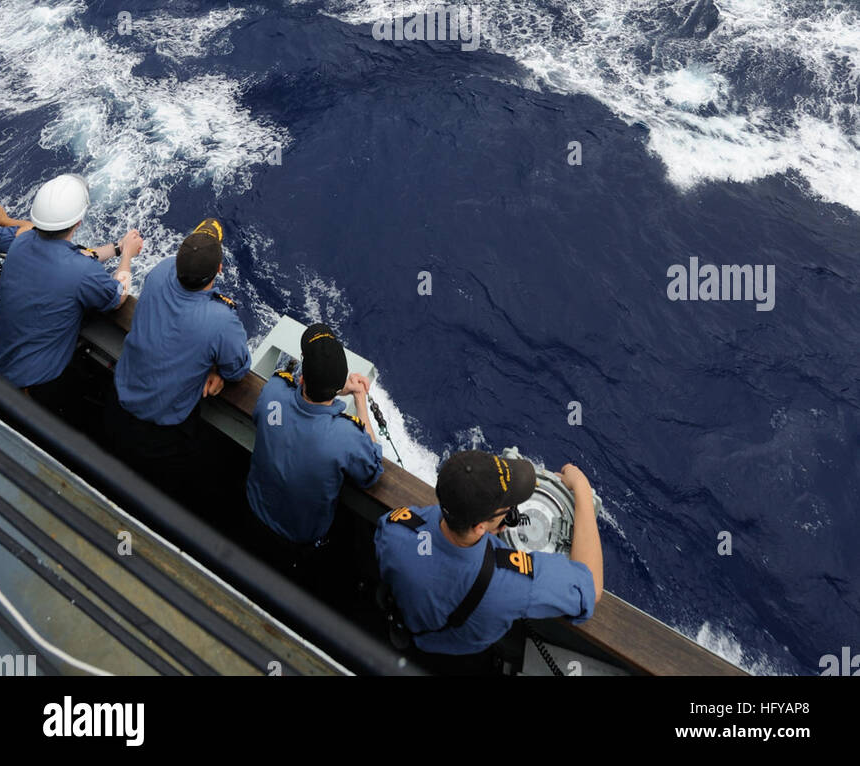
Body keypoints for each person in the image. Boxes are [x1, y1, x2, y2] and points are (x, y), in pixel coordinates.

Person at [374, 450, 602, 670]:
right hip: (460, 654)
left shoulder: (397, 527)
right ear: (480, 527)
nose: (512, 511)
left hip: (404, 619)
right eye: (507, 509)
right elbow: (590, 588)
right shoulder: (511, 583)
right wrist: (581, 487)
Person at [106, 219, 250, 493]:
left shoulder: (161, 270)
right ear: (219, 269)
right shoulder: (220, 320)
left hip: (117, 403)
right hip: (160, 436)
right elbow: (238, 369)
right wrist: (218, 369)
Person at [0, 174, 142, 413]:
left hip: (0, 367)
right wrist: (127, 256)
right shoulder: (82, 273)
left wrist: (116, 248)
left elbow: (75, 256)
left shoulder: (20, 243)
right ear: (78, 222)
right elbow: (119, 296)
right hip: (35, 387)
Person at [246, 322, 383, 571]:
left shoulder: (274, 393)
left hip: (252, 514)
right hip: (296, 543)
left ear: (301, 376)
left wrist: (331, 389)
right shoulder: (345, 436)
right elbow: (372, 471)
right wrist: (359, 401)